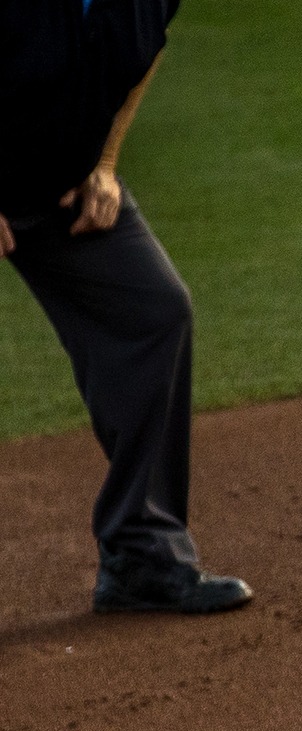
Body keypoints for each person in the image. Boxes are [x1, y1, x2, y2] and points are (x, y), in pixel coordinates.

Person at [2, 0, 251, 614]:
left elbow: (147, 49)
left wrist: (105, 162)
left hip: (55, 185)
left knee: (151, 313)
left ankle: (142, 555)